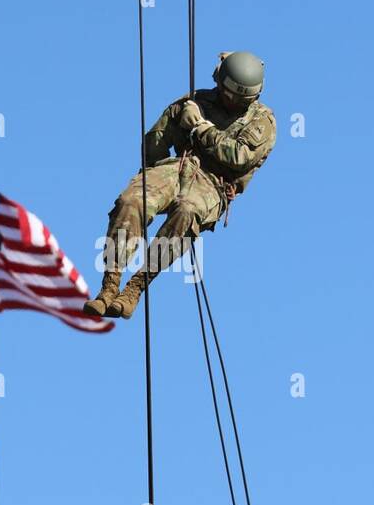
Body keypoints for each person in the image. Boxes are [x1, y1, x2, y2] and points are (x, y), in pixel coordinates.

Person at [85, 50, 276, 319]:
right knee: (132, 201)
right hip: (178, 166)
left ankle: (136, 287)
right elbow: (154, 144)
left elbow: (239, 157)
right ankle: (109, 285)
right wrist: (177, 114)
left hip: (213, 184)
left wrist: (200, 128)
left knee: (186, 212)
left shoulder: (261, 122)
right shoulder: (197, 100)